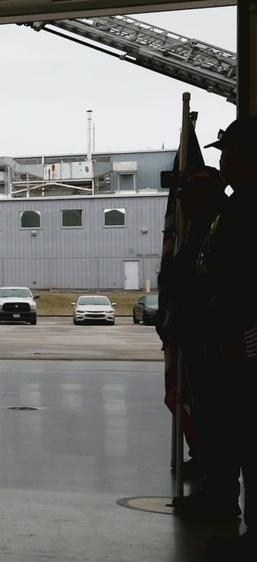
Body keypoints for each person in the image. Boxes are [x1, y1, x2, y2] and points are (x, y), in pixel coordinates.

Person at [181, 116, 257, 561]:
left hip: (244, 339)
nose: (222, 159)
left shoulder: (248, 206)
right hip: (229, 334)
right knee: (236, 435)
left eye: (228, 152)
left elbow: (242, 278)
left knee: (248, 437)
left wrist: (237, 334)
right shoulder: (237, 204)